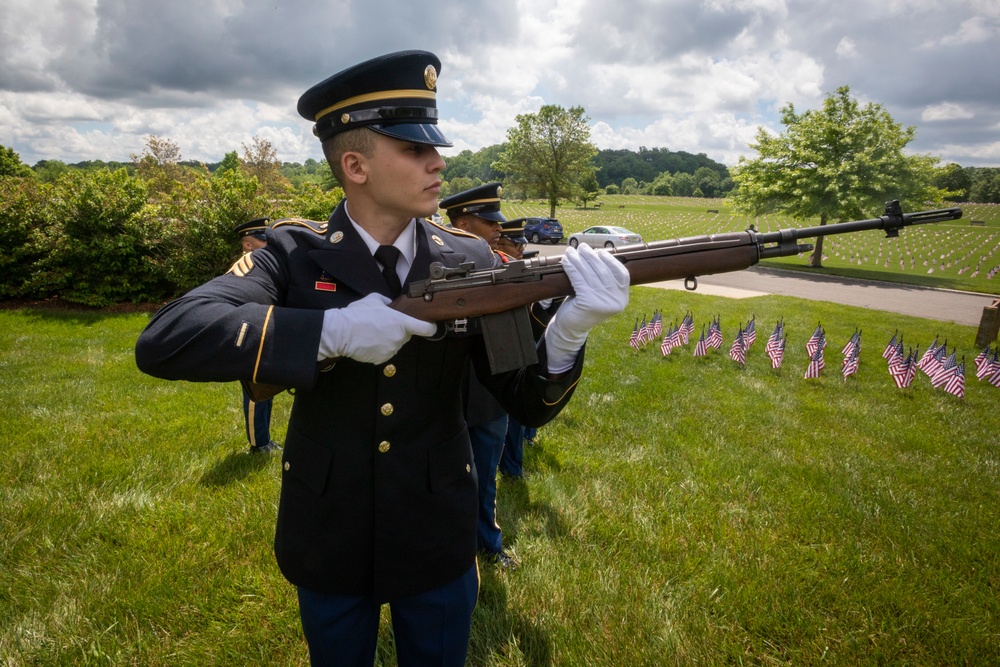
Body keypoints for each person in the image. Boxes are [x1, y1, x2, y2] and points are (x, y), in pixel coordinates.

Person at [134, 50, 629, 666]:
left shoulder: (472, 262)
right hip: (329, 529)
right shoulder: (294, 255)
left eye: (435, 148)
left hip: (437, 527)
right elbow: (169, 336)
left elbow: (524, 399)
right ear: (355, 165)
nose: (438, 162)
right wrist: (329, 332)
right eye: (415, 150)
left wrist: (569, 332)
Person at [440, 182, 518, 569]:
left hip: (489, 396)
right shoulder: (429, 268)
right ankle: (448, 548)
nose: (498, 230)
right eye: (489, 224)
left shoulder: (504, 267)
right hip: (445, 393)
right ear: (464, 223)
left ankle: (488, 543)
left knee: (485, 477)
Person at [233, 218, 282, 455]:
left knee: (266, 389)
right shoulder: (246, 265)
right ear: (247, 245)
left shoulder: (266, 262)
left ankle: (263, 439)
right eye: (260, 239)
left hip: (268, 330)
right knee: (256, 391)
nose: (266, 242)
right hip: (252, 333)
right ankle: (258, 444)